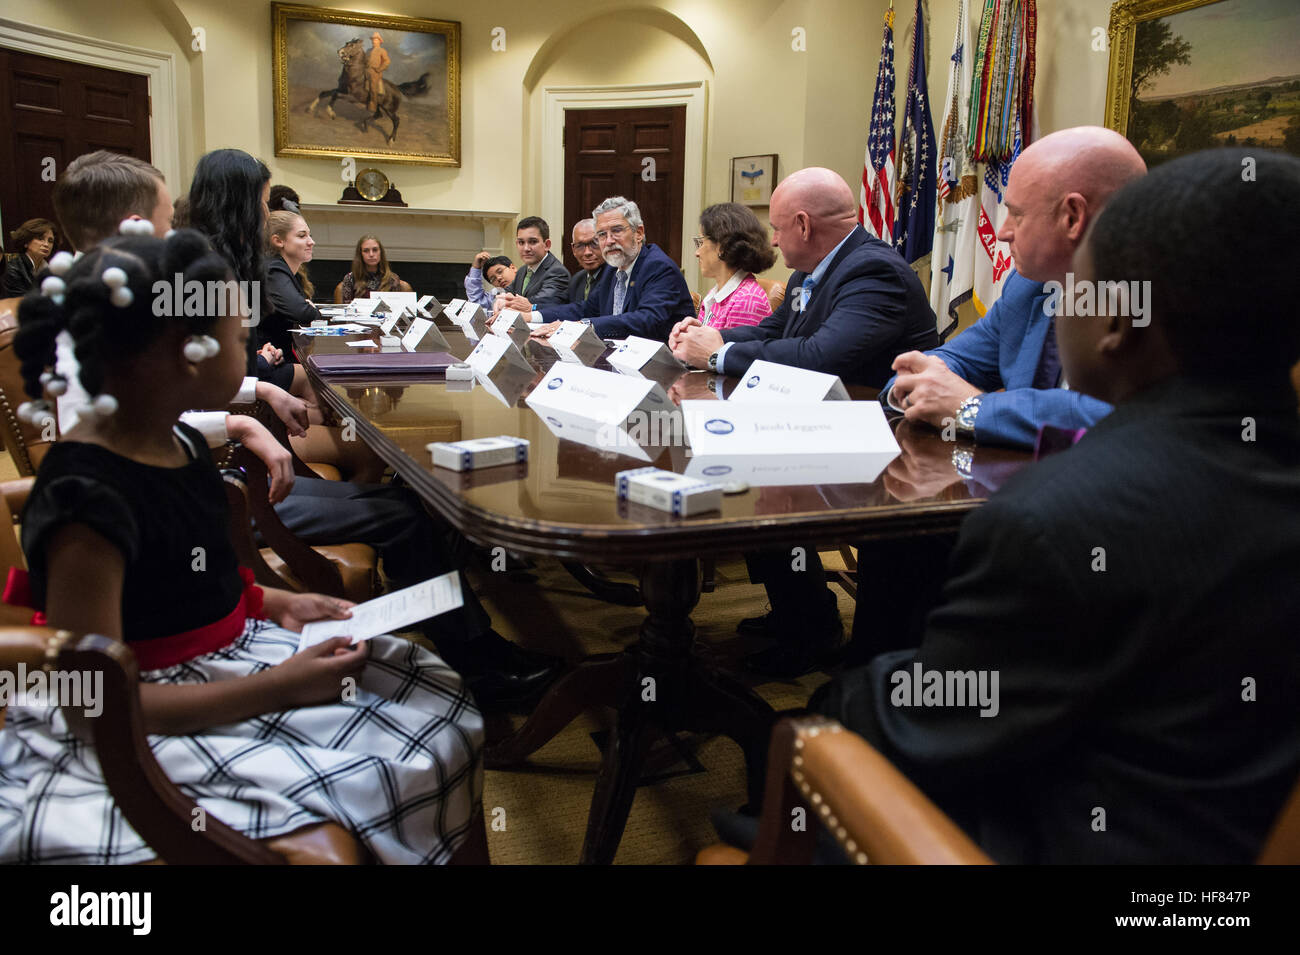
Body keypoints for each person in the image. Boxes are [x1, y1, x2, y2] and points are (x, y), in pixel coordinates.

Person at [813, 147, 1300, 864]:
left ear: (1118, 324)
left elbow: (928, 723)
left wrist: (833, 706)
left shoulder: (1059, 523)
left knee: (827, 723)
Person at [1, 231, 483, 864]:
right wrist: (277, 689)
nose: (251, 353)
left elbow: (203, 580)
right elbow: (92, 705)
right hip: (155, 714)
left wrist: (272, 607)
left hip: (227, 653)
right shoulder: (86, 498)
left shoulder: (176, 440)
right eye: (238, 340)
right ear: (182, 356)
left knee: (437, 694)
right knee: (394, 753)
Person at [883, 126, 1144, 448]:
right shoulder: (1028, 286)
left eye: (1016, 215)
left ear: (1073, 218)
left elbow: (1123, 419)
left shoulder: (1157, 297)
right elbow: (951, 360)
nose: (1003, 232)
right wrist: (919, 383)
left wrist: (972, 408)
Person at [669, 167, 937, 385]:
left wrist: (717, 355)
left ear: (803, 225)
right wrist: (712, 336)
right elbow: (772, 331)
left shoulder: (875, 272)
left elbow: (819, 357)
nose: (772, 241)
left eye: (776, 229)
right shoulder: (805, 274)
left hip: (885, 433)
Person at [516, 197, 695, 341]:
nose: (608, 241)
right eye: (602, 234)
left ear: (638, 233)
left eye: (617, 231)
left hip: (662, 368)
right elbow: (585, 309)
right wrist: (532, 316)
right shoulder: (612, 268)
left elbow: (646, 320)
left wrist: (581, 326)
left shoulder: (658, 267)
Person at [693, 202, 776, 330]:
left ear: (722, 246)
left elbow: (730, 350)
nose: (697, 253)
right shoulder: (716, 293)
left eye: (701, 242)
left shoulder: (747, 300)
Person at [264, 210, 323, 354]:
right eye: (302, 236)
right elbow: (304, 313)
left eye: (310, 235)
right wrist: (311, 309)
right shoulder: (274, 270)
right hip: (266, 359)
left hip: (280, 353)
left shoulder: (288, 272)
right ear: (278, 241)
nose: (311, 242)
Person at [495, 216, 569, 307]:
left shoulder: (558, 272)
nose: (526, 248)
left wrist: (508, 302)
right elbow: (507, 292)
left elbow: (539, 303)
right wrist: (502, 297)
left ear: (547, 245)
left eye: (533, 242)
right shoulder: (522, 270)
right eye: (521, 242)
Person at [336, 234, 410, 303]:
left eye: (375, 250)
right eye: (366, 251)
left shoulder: (393, 279)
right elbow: (345, 313)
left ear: (381, 252)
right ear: (360, 254)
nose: (371, 254)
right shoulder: (350, 280)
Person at [3, 219, 56, 298]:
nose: (46, 244)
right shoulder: (13, 268)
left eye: (50, 240)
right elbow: (21, 303)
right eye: (40, 238)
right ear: (26, 242)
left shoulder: (50, 269)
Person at [566, 218, 610, 305]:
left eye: (594, 244)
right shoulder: (576, 280)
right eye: (580, 246)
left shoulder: (615, 277)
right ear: (573, 249)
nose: (587, 252)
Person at [365, 32, 390, 117]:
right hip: (366, 70)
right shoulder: (368, 50)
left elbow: (387, 61)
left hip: (375, 72)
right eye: (373, 40)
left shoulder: (382, 51)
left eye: (375, 40)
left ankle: (373, 107)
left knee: (373, 87)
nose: (374, 41)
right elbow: (364, 60)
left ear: (379, 41)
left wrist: (379, 69)